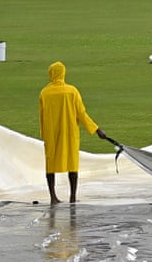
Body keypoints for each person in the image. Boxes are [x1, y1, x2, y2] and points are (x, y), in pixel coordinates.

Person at [39, 61, 108, 204]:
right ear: (63, 73)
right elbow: (82, 114)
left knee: (51, 163)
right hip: (69, 133)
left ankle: (53, 196)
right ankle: (73, 196)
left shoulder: (45, 93)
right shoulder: (72, 91)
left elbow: (42, 116)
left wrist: (44, 135)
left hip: (52, 133)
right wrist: (96, 129)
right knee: (72, 163)